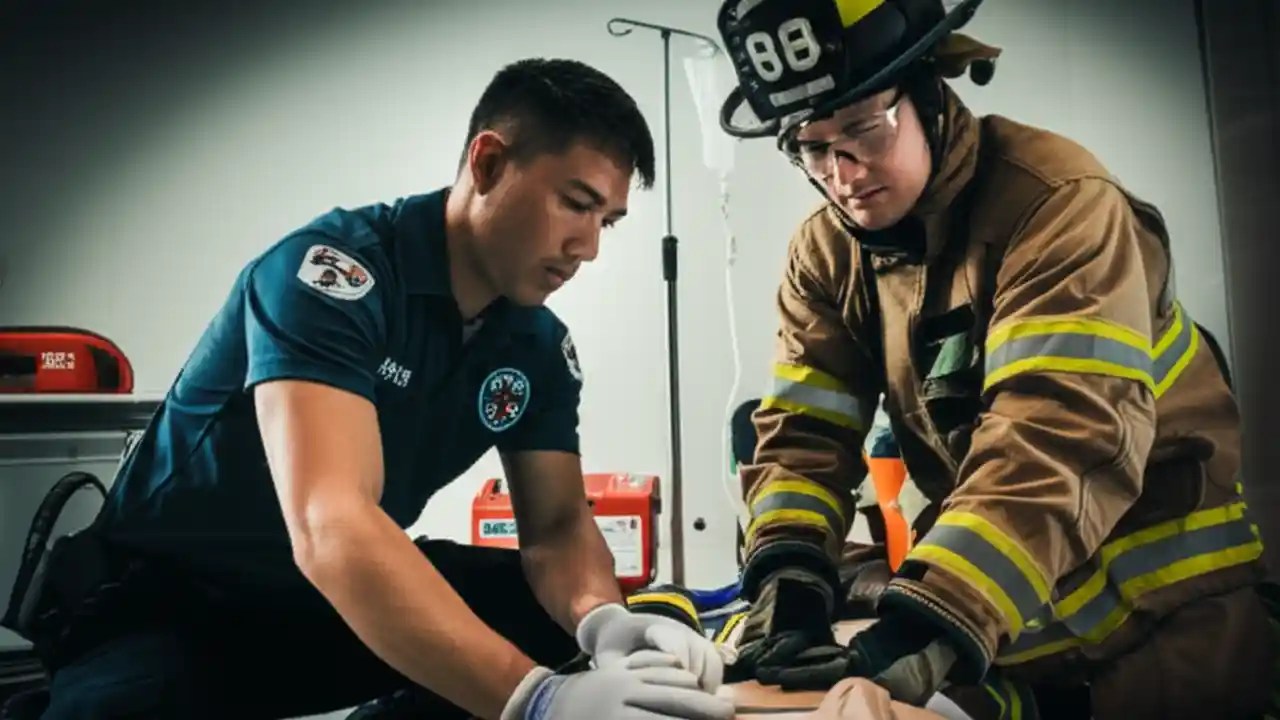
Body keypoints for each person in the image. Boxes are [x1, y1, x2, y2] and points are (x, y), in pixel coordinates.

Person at [17, 57, 735, 720]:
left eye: (606, 220)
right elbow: (333, 524)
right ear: (487, 163)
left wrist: (604, 622)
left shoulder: (536, 344)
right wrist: (536, 701)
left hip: (318, 612)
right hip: (169, 609)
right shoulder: (327, 278)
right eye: (575, 204)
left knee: (564, 618)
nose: (591, 247)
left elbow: (555, 530)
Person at [711, 0, 1276, 718]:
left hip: (1162, 626)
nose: (841, 173)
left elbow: (1057, 435)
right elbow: (804, 434)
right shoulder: (827, 251)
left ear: (928, 95)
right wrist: (790, 577)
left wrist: (929, 620)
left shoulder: (1059, 205)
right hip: (1009, 634)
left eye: (862, 128)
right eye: (811, 147)